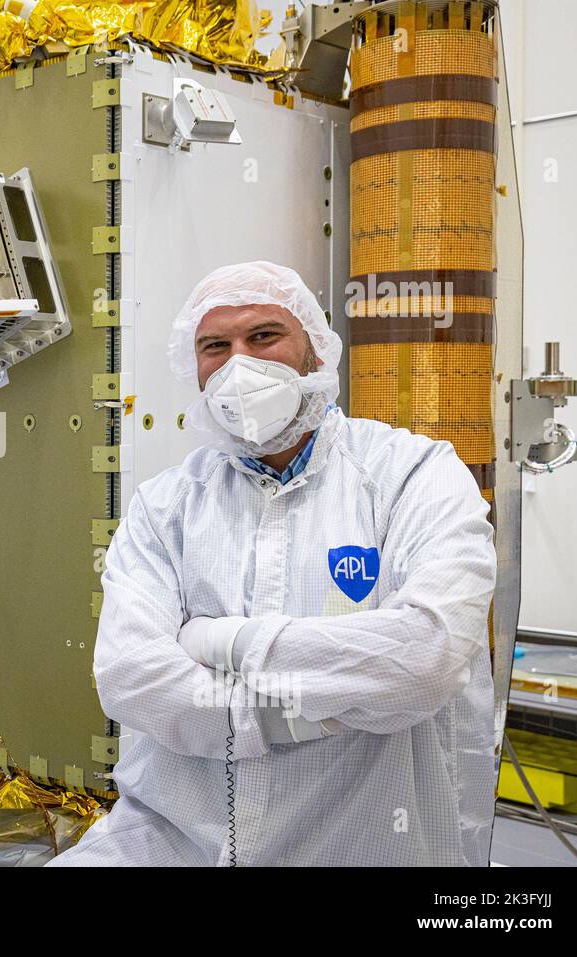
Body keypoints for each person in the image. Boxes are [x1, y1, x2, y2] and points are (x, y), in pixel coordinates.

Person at [51, 261, 498, 867]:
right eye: (215, 346)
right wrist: (310, 713)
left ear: (315, 351)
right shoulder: (166, 506)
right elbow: (132, 676)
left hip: (364, 847)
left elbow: (424, 658)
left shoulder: (412, 475)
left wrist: (220, 642)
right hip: (173, 840)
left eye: (263, 336)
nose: (239, 365)